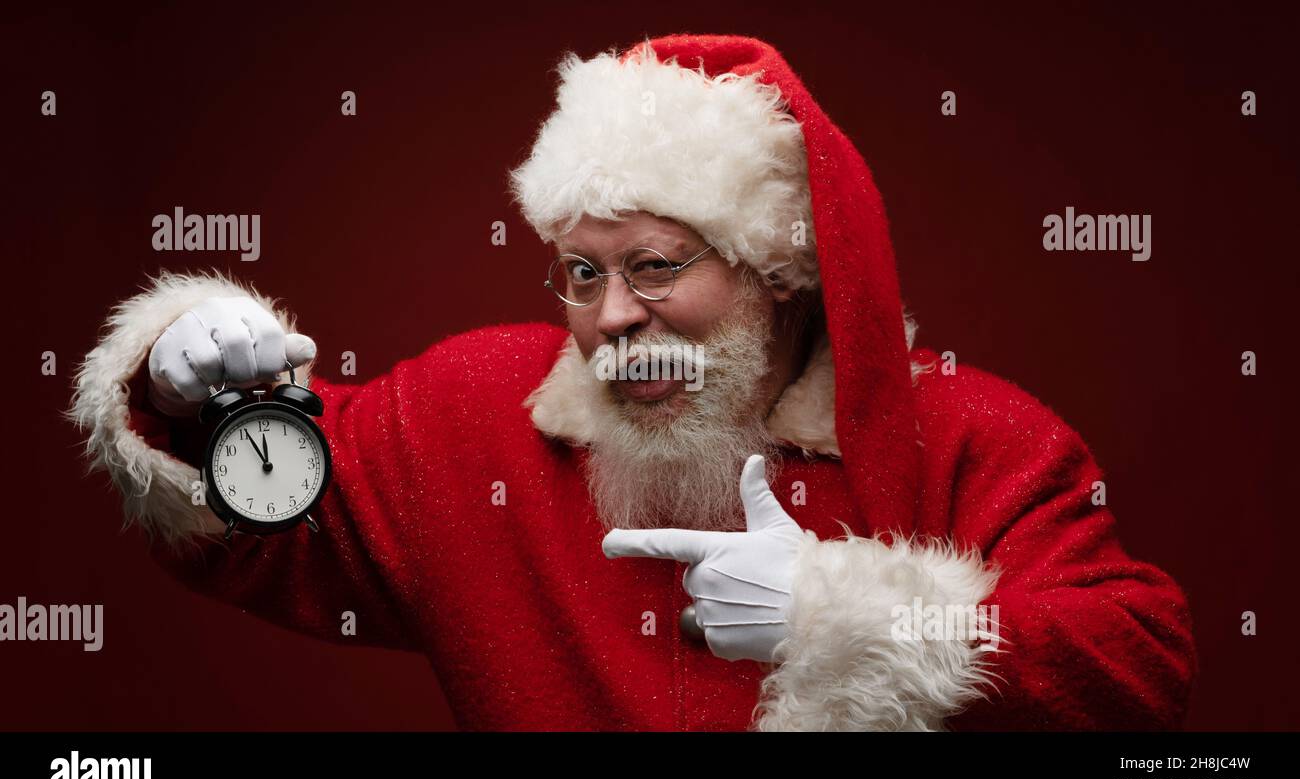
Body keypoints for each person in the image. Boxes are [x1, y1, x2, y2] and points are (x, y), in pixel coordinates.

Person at [69, 34, 1196, 731]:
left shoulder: (973, 432)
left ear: (777, 273)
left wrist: (848, 622)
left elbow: (1136, 662)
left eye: (657, 265)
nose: (610, 316)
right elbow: (270, 515)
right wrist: (194, 387)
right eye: (580, 271)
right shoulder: (473, 413)